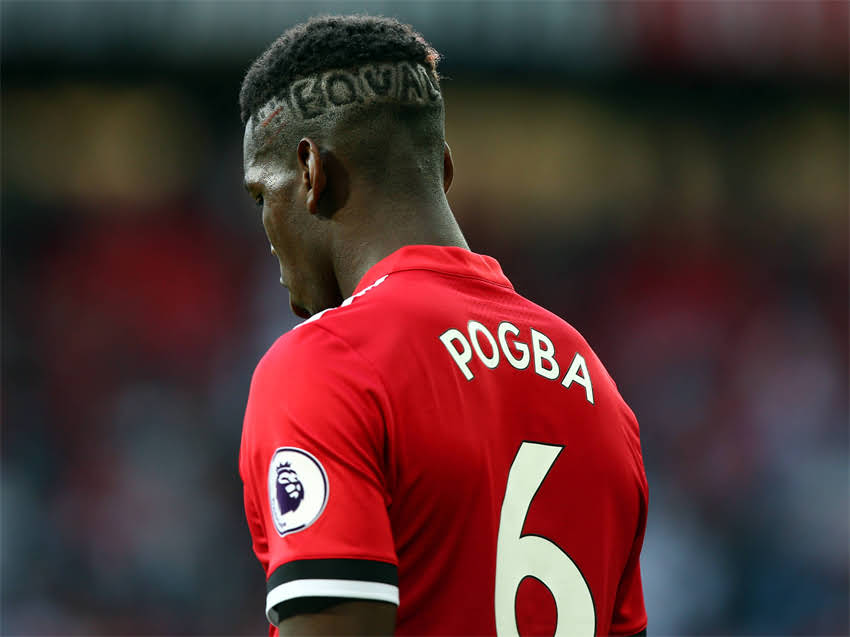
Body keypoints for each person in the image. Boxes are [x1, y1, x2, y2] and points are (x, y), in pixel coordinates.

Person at [239, 15, 648, 637]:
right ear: (443, 171)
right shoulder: (596, 389)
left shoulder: (327, 365)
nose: (267, 232)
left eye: (261, 197)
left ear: (311, 172)